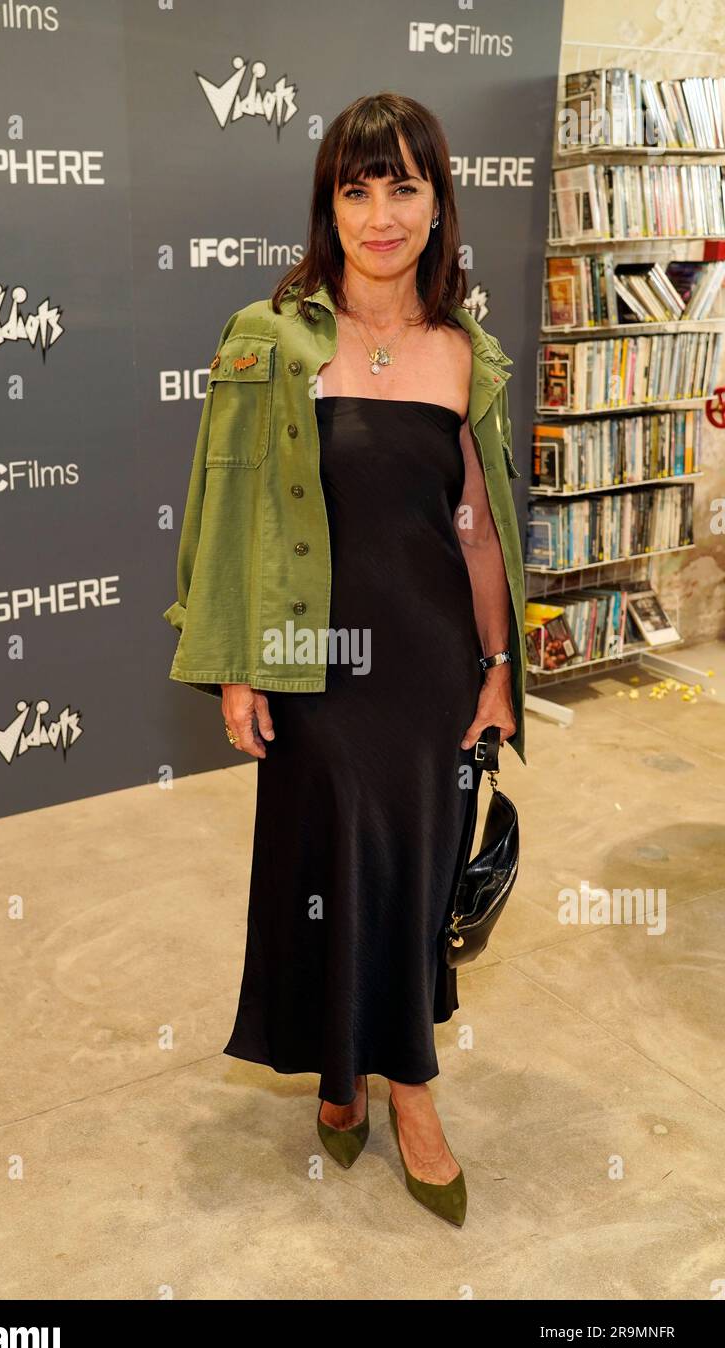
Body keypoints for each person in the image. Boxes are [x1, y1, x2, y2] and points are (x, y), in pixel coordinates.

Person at [163, 92, 526, 1225]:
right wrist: (237, 662)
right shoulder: (272, 338)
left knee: (414, 882)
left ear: (437, 203)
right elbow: (225, 515)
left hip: (427, 668)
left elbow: (479, 523)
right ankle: (338, 1069)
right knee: (326, 870)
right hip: (309, 660)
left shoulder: (466, 352)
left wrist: (498, 669)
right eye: (358, 187)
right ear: (329, 201)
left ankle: (406, 1089)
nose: (381, 213)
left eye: (404, 186)